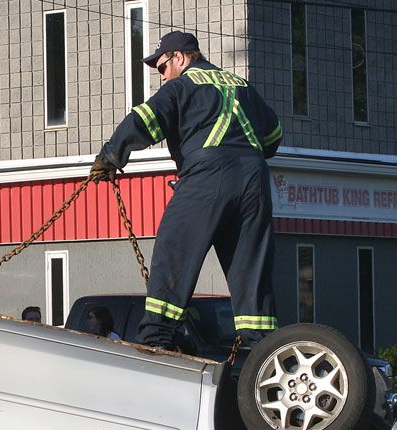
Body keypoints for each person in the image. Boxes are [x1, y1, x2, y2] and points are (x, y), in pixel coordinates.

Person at [89, 30, 282, 351]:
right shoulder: (243, 86)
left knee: (174, 252)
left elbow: (145, 118)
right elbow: (273, 137)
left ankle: (156, 339)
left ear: (179, 57)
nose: (162, 76)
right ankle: (265, 351)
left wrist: (110, 156)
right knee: (251, 270)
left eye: (162, 67)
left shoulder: (182, 86)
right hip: (255, 181)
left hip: (207, 176)